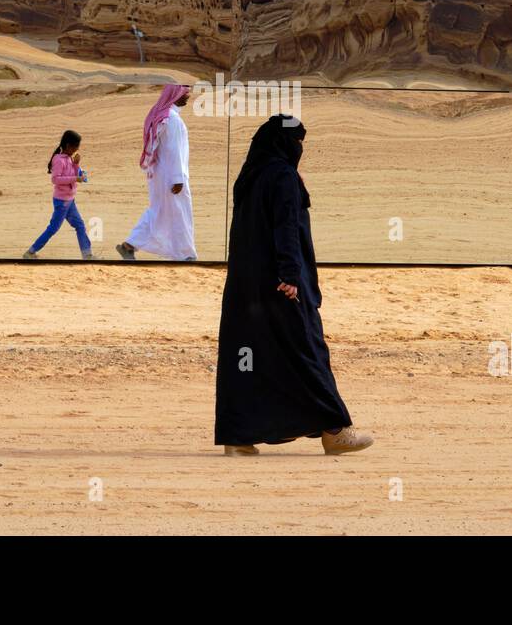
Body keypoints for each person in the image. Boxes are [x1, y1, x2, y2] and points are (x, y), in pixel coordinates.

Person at [214, 114, 373, 456]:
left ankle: (239, 437)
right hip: (282, 287)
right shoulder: (282, 176)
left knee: (249, 359)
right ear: (285, 143)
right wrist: (289, 275)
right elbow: (285, 228)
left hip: (246, 288)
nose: (299, 148)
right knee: (307, 351)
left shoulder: (250, 176)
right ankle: (335, 430)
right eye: (297, 142)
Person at [116, 84, 197, 261]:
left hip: (161, 174)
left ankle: (129, 245)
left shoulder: (164, 116)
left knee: (159, 212)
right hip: (171, 176)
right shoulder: (172, 119)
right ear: (175, 95)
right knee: (179, 212)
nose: (188, 96)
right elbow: (173, 150)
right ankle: (186, 255)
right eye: (185, 93)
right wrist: (177, 178)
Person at [23, 129, 93, 260]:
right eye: (75, 146)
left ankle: (87, 255)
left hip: (70, 200)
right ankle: (30, 252)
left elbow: (76, 174)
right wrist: (75, 178)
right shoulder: (58, 160)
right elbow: (55, 179)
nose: (77, 149)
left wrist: (77, 165)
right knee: (53, 228)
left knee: (79, 225)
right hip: (61, 201)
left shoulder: (69, 159)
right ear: (68, 146)